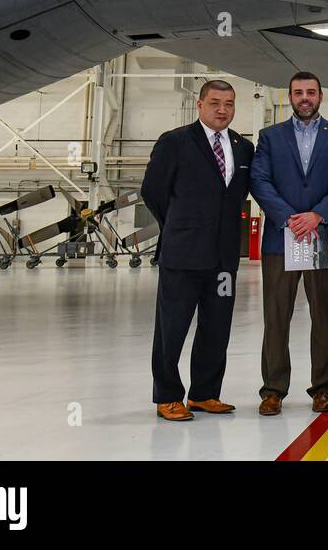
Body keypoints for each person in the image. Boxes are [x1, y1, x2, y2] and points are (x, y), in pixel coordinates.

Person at [141, 79, 254, 421]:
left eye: (229, 104)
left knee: (216, 327)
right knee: (172, 327)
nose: (223, 110)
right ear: (200, 105)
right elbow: (154, 192)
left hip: (223, 258)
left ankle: (205, 393)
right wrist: (180, 226)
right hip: (183, 254)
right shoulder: (174, 142)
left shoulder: (242, 147)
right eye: (215, 103)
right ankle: (168, 395)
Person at [250, 71, 328, 416]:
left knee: (325, 317)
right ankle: (273, 390)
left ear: (321, 96)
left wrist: (317, 215)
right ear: (289, 97)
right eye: (298, 92)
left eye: (310, 92)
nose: (304, 97)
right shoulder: (270, 136)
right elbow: (259, 181)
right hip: (282, 237)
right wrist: (291, 218)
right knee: (276, 317)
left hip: (324, 236)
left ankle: (322, 389)